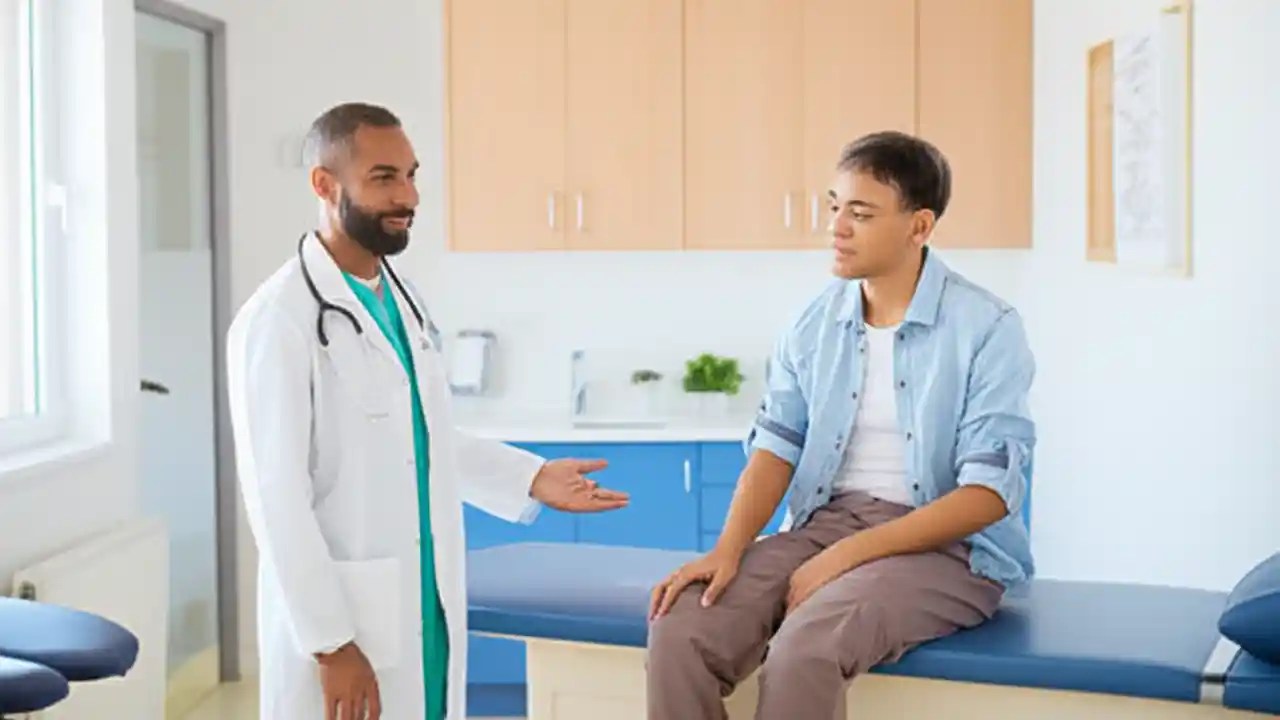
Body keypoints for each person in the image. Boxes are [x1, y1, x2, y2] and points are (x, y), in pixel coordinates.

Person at [225, 102, 629, 720]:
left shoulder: (401, 298)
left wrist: (530, 477)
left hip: (422, 609)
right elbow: (275, 499)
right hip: (347, 626)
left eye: (412, 175)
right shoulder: (277, 319)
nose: (409, 195)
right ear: (324, 185)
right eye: (385, 177)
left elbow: (421, 434)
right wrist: (331, 643)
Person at [645, 130, 1036, 720]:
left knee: (806, 649)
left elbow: (986, 497)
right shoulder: (815, 322)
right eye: (833, 206)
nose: (836, 226)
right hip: (826, 524)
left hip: (950, 551)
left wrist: (844, 557)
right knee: (680, 630)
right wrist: (729, 550)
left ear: (919, 226)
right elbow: (777, 446)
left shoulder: (987, 327)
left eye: (860, 212)